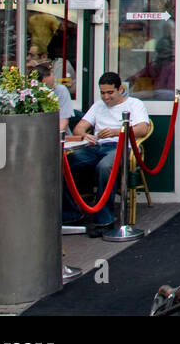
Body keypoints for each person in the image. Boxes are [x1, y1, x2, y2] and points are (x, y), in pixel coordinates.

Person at [65, 73, 151, 235]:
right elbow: (79, 128)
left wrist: (115, 132)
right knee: (65, 162)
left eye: (110, 92)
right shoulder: (98, 105)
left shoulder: (134, 104)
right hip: (97, 146)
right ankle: (70, 214)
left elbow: (142, 129)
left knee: (105, 167)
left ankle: (104, 220)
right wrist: (85, 135)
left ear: (120, 89)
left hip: (121, 146)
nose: (106, 97)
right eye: (103, 93)